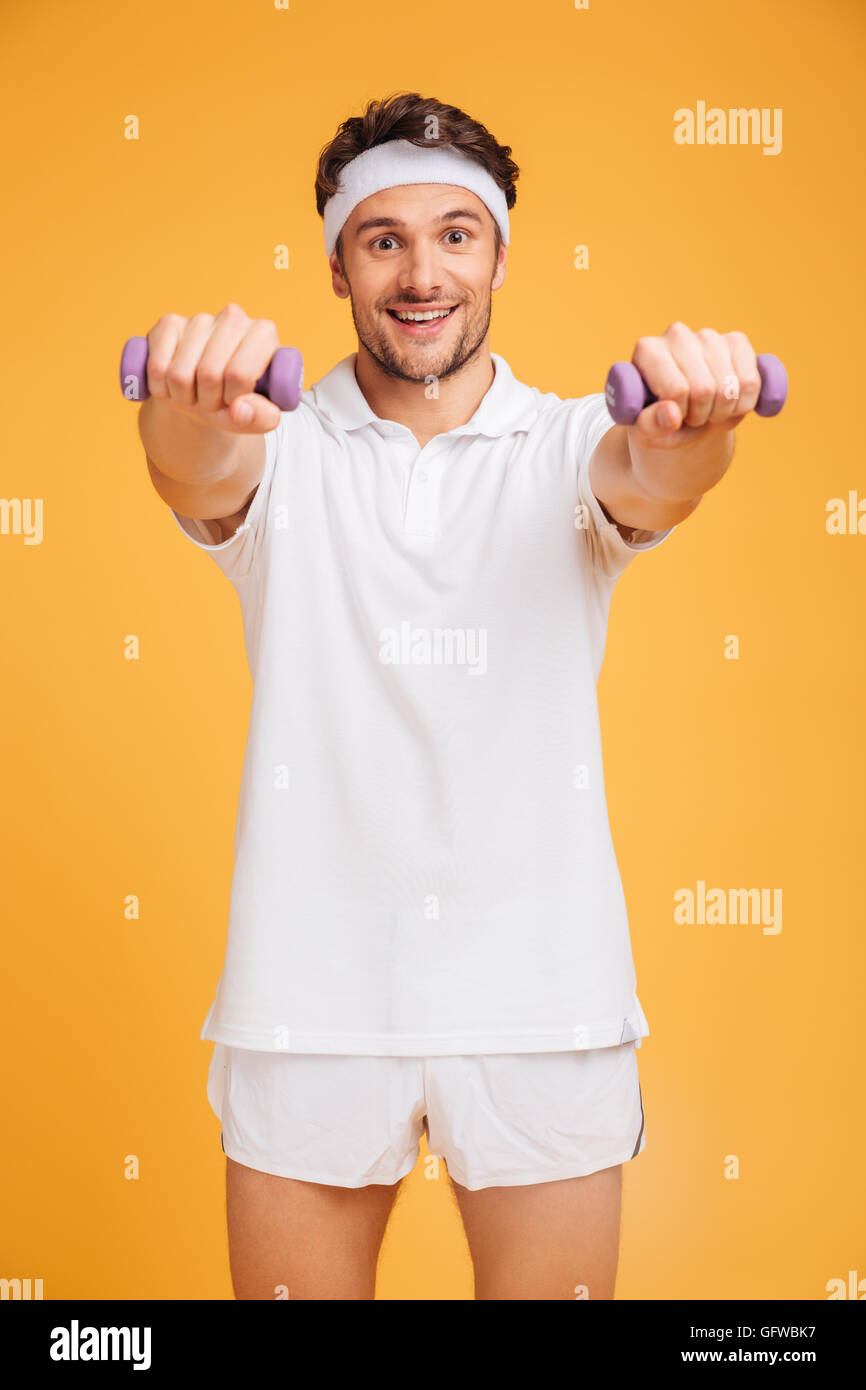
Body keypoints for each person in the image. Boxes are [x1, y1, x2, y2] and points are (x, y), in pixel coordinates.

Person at [136, 91, 761, 1300]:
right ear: (336, 265)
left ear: (500, 255)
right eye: (383, 240)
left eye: (454, 235)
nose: (421, 272)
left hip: (543, 1004)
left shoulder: (572, 443)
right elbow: (193, 463)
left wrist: (701, 419)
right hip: (303, 1007)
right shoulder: (280, 444)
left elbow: (658, 473)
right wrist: (182, 403)